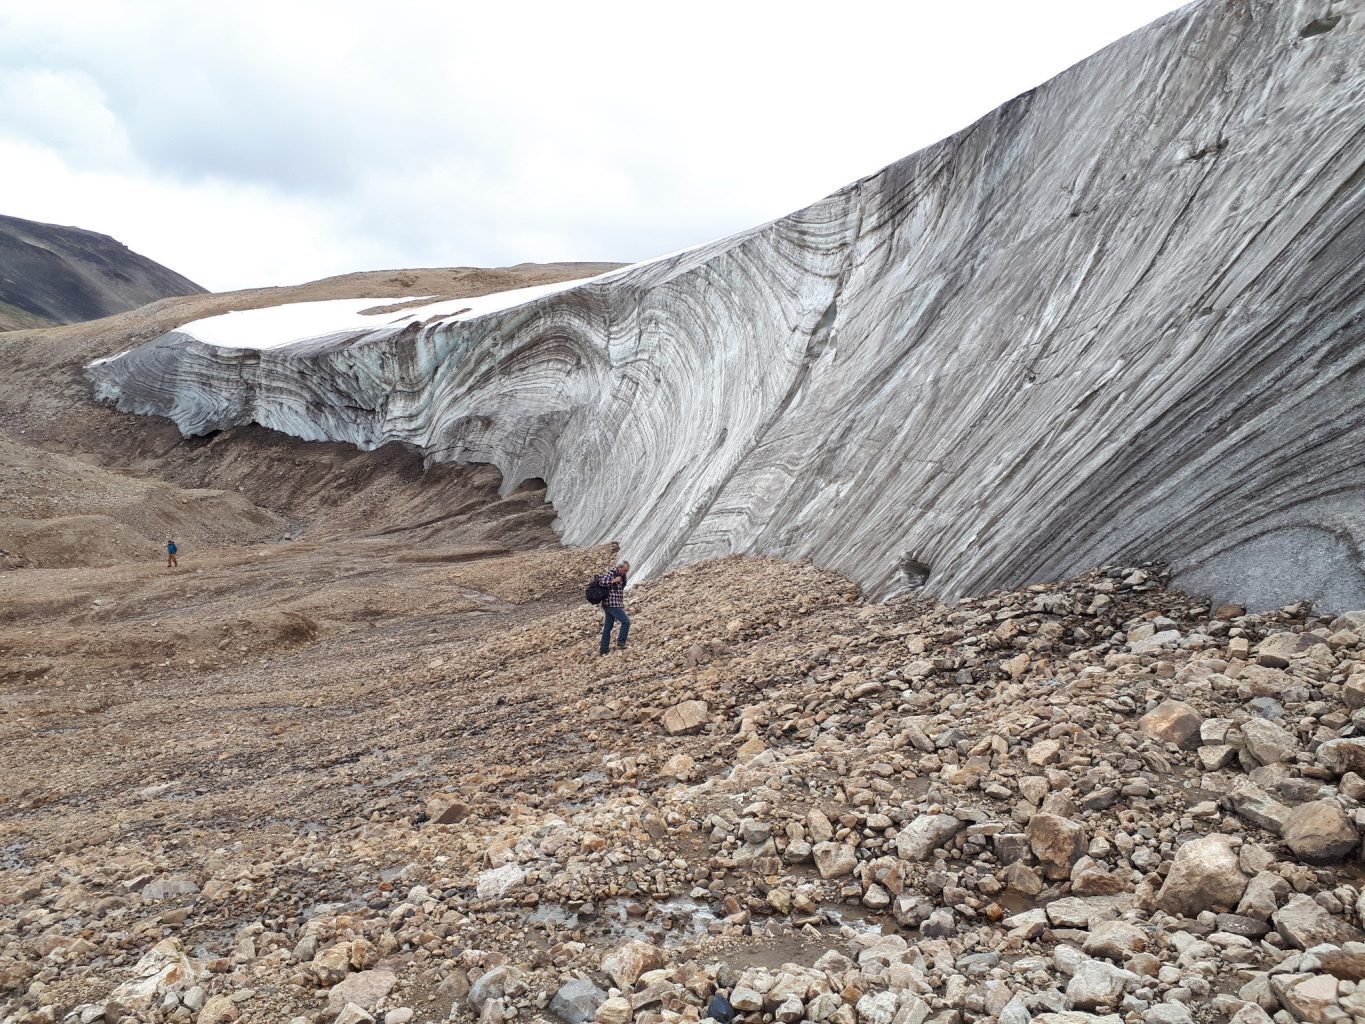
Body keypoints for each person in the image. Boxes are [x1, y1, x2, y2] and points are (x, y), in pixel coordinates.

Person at [596, 560, 630, 655]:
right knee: (626, 621)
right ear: (619, 568)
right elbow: (601, 582)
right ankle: (621, 642)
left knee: (608, 626)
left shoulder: (622, 576)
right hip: (612, 603)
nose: (626, 572)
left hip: (613, 603)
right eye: (625, 570)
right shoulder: (611, 573)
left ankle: (604, 649)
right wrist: (614, 581)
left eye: (627, 571)